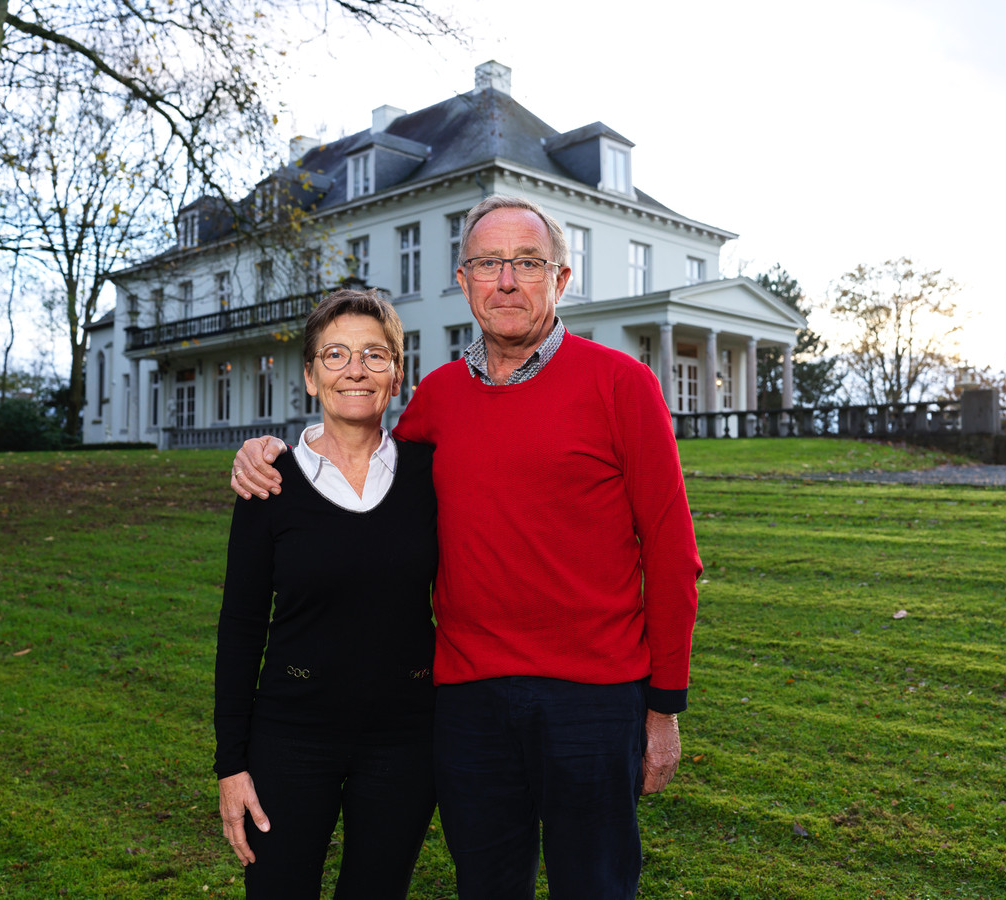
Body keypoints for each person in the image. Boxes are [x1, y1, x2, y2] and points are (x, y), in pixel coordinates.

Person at [230, 195, 701, 900]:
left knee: (595, 886)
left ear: (561, 279)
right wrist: (272, 451)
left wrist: (662, 709)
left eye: (527, 263)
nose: (507, 280)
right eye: (489, 263)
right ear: (464, 279)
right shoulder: (441, 398)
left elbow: (671, 551)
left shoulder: (622, 385)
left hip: (594, 699)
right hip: (467, 699)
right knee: (486, 886)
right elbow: (364, 457)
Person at [214, 288, 438, 899]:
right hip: (292, 735)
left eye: (374, 354)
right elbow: (239, 629)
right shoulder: (269, 481)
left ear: (396, 375)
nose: (355, 370)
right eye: (335, 355)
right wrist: (231, 765)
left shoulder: (430, 474)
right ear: (311, 376)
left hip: (405, 738)